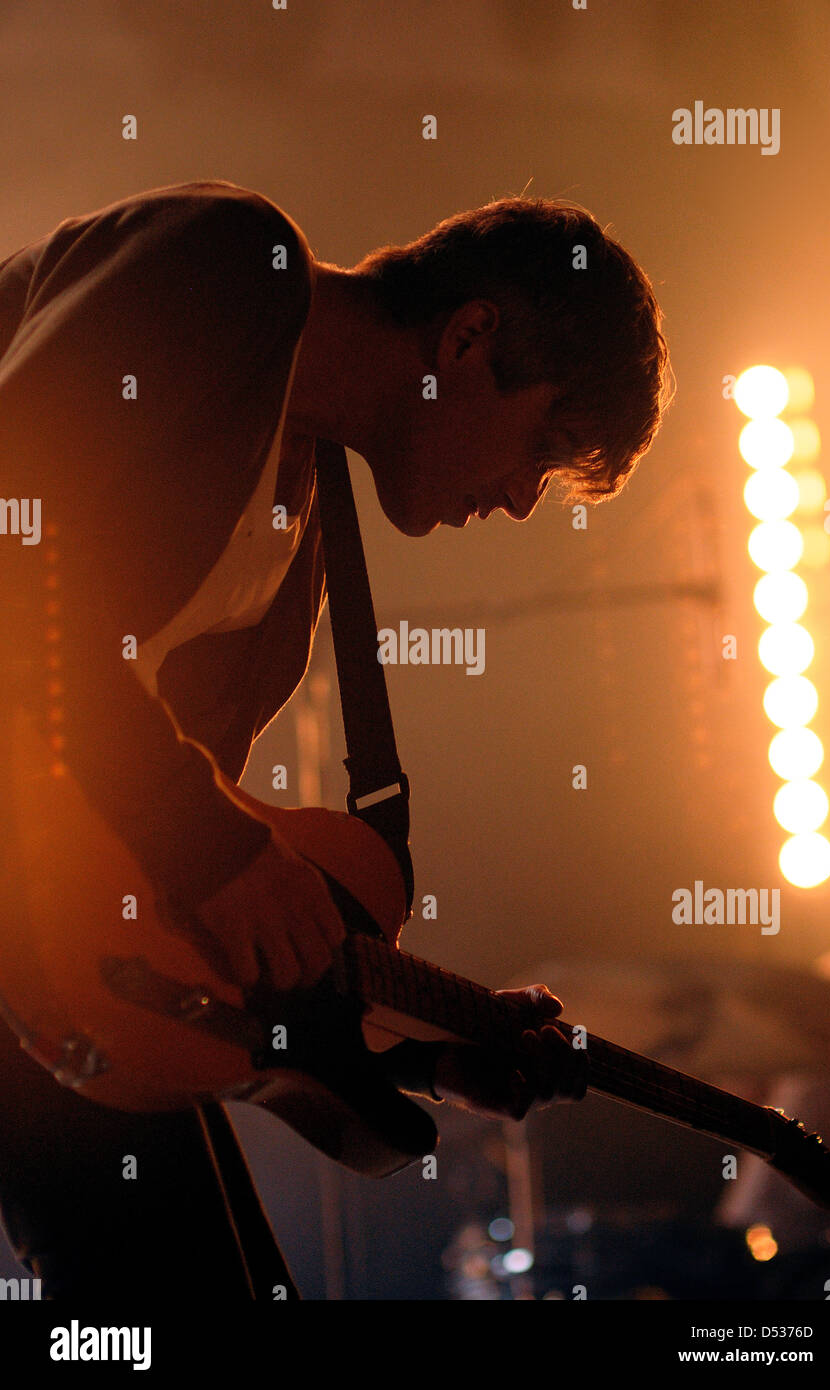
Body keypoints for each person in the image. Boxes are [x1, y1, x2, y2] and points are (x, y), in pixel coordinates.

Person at [0, 179, 671, 1298]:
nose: (517, 503)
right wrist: (207, 840)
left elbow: (164, 893)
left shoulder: (299, 553)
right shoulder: (229, 258)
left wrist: (403, 1031)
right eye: (540, 449)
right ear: (467, 336)